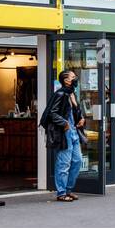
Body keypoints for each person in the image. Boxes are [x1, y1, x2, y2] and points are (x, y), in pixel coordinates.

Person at [40, 70, 85, 202]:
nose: (75, 78)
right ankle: (61, 193)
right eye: (73, 77)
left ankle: (69, 190)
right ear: (66, 80)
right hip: (65, 132)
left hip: (74, 132)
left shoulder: (71, 94)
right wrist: (65, 124)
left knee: (77, 161)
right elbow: (51, 113)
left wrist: (81, 117)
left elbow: (74, 112)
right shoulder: (59, 94)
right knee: (64, 163)